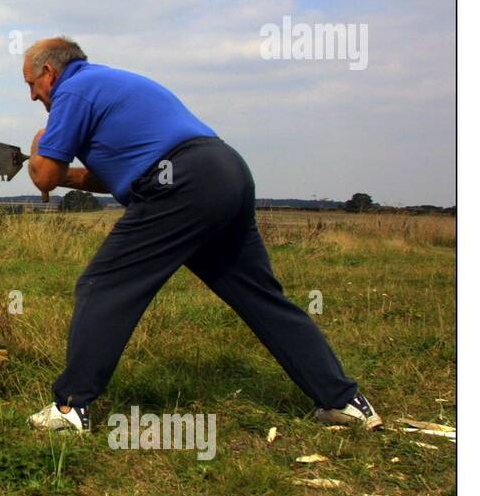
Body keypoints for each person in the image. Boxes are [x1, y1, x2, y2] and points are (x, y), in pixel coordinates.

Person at [20, 37, 382, 434]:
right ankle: (344, 401)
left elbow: (47, 175)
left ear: (49, 73)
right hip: (223, 170)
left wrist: (39, 154)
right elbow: (119, 174)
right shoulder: (107, 84)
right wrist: (61, 171)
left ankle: (71, 408)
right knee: (258, 295)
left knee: (103, 285)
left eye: (31, 86)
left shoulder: (72, 89)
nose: (34, 97)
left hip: (183, 181)